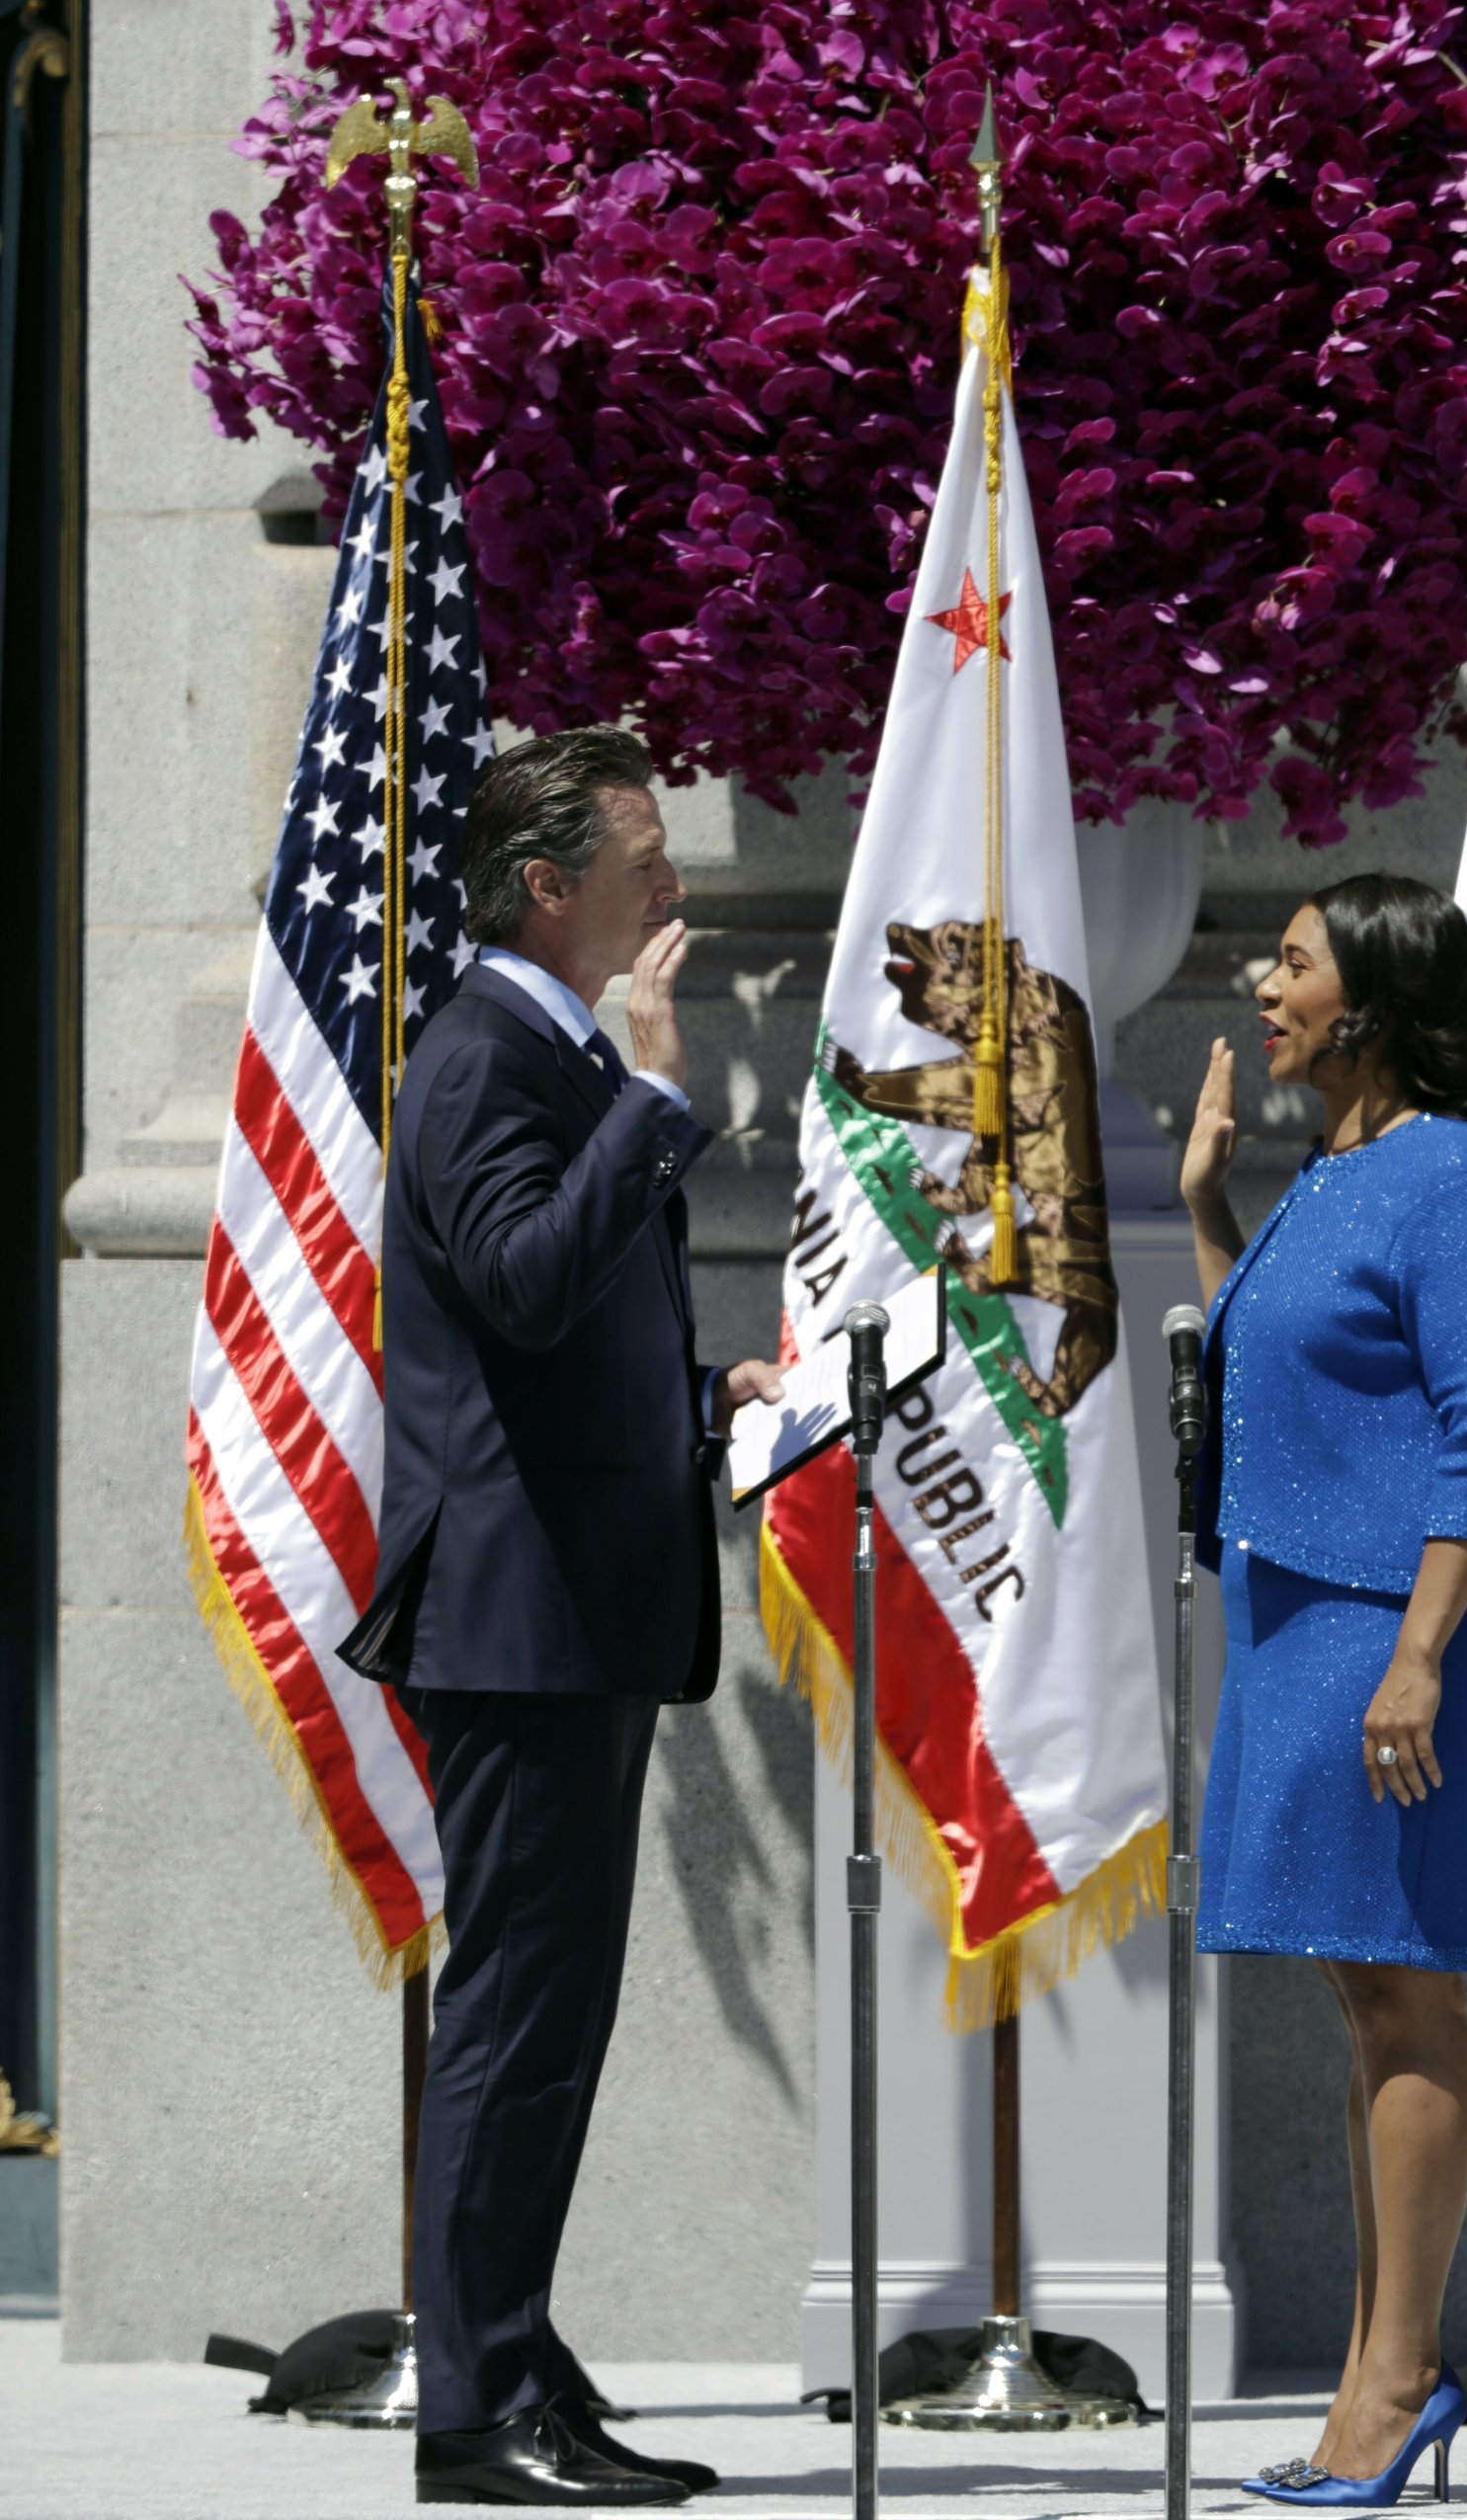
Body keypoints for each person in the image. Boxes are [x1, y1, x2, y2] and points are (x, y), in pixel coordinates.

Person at [339, 726, 784, 2510]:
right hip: (516, 1626)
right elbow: (519, 1286)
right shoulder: (480, 1058)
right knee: (516, 2017)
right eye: (644, 855)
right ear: (547, 884)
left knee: (554, 2019)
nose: (671, 882)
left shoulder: (550, 1046)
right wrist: (661, 1105)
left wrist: (700, 1404)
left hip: (577, 1609)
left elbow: (563, 1350)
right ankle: (473, 2414)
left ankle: (516, 2361)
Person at [1180, 872, 1467, 2512]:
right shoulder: (1335, 1168)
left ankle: (1399, 2380)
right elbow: (1281, 1375)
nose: (1266, 985)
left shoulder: (1456, 1173)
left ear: (1380, 1001)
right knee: (1364, 1996)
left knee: (1408, 1989)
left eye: (1297, 963)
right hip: (1302, 1625)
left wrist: (1418, 1654)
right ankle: (1367, 2375)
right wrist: (1210, 1207)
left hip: (1398, 1638)